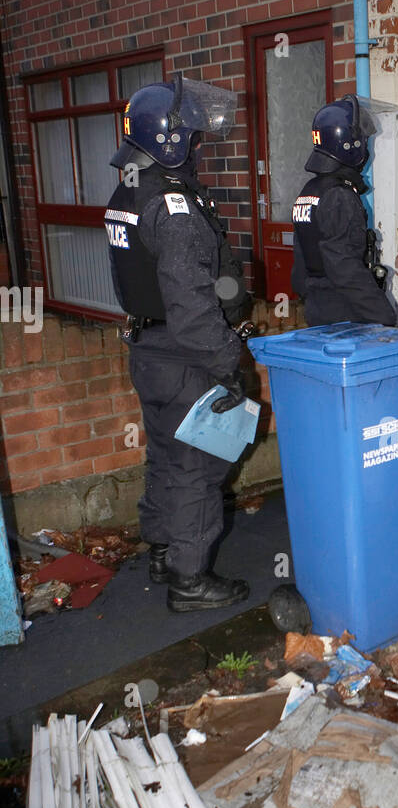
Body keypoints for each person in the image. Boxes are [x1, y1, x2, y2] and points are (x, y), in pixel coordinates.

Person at [104, 75, 255, 613]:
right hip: (184, 354)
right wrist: (227, 363)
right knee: (198, 468)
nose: (196, 145)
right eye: (191, 137)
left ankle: (165, 551)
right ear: (169, 139)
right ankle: (190, 581)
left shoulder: (129, 190)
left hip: (147, 350)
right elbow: (192, 309)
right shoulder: (175, 209)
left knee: (166, 456)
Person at [291, 95, 397, 327]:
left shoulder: (310, 190)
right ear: (350, 144)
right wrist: (382, 314)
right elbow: (344, 266)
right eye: (364, 141)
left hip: (318, 303)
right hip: (344, 307)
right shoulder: (339, 195)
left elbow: (300, 259)